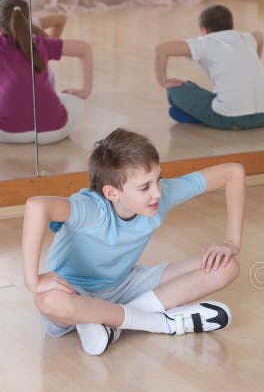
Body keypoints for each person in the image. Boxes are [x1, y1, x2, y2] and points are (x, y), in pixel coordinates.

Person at [22, 128, 245, 356]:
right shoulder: (90, 209)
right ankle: (160, 324)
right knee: (50, 301)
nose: (157, 192)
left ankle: (109, 323)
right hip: (76, 293)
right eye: (144, 187)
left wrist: (232, 242)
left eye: (158, 179)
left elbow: (233, 172)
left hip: (125, 284)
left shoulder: (160, 195)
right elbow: (36, 206)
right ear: (112, 192)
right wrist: (33, 281)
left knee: (227, 267)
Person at [154, 4, 264, 130]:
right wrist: (252, 60)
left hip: (230, 118)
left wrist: (163, 81)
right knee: (198, 91)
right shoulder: (247, 38)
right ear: (231, 26)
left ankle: (201, 118)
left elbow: (161, 49)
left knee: (174, 90)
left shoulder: (205, 42)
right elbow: (259, 35)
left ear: (204, 30)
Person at [0, 0, 91, 144]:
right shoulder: (40, 42)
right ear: (27, 18)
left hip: (6, 133)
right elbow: (84, 49)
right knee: (74, 100)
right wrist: (86, 90)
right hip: (52, 132)